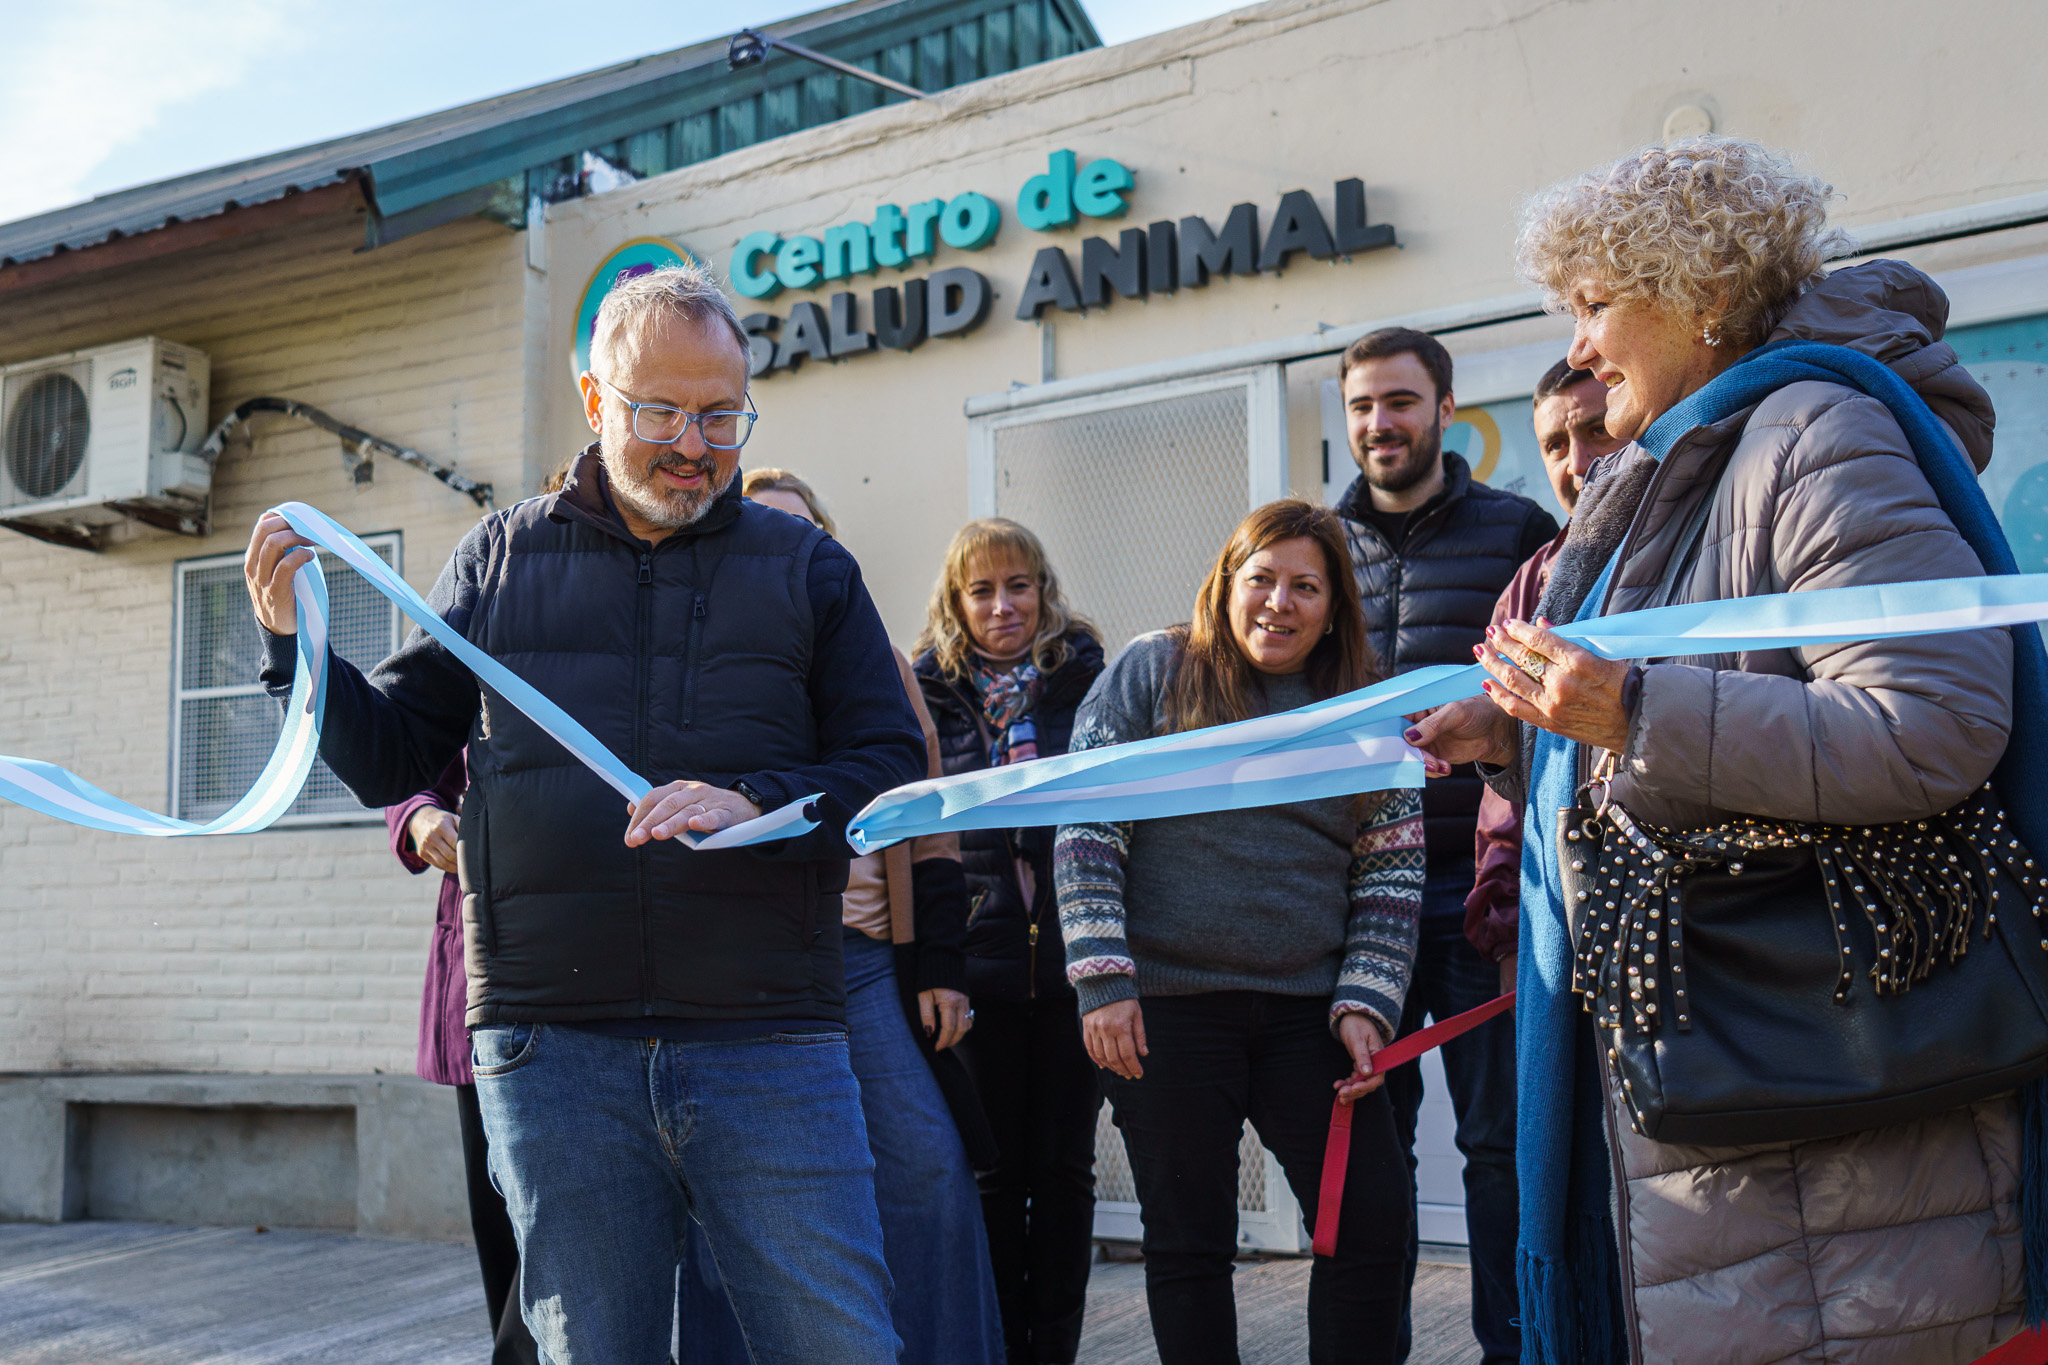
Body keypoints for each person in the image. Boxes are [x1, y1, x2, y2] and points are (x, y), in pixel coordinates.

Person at [1409, 136, 2025, 1362]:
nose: (1576, 350)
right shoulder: (1695, 455)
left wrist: (1629, 715)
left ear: (1696, 297)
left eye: (1592, 306)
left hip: (1823, 1120)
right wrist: (1524, 743)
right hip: (1745, 1105)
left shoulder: (1806, 434)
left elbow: (1933, 725)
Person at [242, 263, 925, 1363]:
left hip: (769, 1039)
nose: (695, 444)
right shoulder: (498, 559)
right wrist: (294, 645)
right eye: (661, 410)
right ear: (596, 403)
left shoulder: (809, 568)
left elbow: (883, 755)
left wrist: (755, 799)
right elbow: (391, 756)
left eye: (720, 414)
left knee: (836, 1344)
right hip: (552, 1053)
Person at [1056, 498, 1424, 1365]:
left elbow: (1391, 870)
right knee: (1190, 1243)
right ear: (1227, 585)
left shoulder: (1367, 709)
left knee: (1371, 1225)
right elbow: (1086, 824)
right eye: (1262, 579)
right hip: (1168, 1011)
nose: (1280, 603)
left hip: (1313, 1016)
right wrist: (1104, 984)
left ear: (1334, 607)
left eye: (1306, 586)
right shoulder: (1154, 670)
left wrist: (1367, 1002)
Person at [673, 467, 1005, 1365]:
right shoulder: (707, 650)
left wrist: (939, 962)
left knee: (927, 1170)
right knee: (721, 1195)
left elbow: (926, 822)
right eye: (766, 530)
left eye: (806, 532)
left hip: (858, 960)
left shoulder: (879, 662)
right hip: (737, 963)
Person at [1333, 326, 1557, 1364]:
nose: (1379, 425)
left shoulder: (1520, 531)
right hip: (1352, 903)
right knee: (1362, 1152)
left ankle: (1514, 1348)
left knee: (1497, 1152)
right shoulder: (1311, 551)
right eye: (1362, 407)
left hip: (1483, 896)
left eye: (1398, 402)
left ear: (1443, 407)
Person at [913, 517, 1105, 1365]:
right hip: (976, 976)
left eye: (1018, 585)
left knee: (1064, 1177)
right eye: (981, 589)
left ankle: (1051, 1353)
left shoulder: (1086, 681)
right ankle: (995, 1349)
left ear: (1044, 590)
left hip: (1072, 971)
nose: (1003, 606)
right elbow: (917, 846)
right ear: (956, 601)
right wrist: (936, 964)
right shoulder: (923, 692)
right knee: (990, 1177)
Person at [1463, 360, 1627, 988]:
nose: (1578, 462)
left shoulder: (1697, 539)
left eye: (1597, 430)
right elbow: (1504, 800)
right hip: (1559, 918)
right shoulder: (1531, 585)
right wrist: (1509, 934)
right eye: (1556, 445)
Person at [386, 754, 538, 1365]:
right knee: (500, 1224)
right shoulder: (465, 656)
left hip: (590, 959)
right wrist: (417, 814)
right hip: (481, 974)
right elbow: (403, 746)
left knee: (574, 1213)